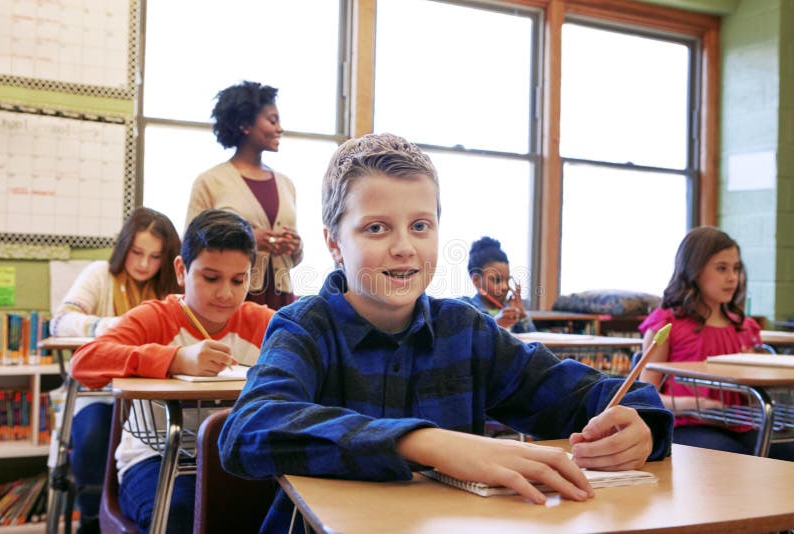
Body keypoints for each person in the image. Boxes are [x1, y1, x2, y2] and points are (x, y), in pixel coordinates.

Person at [218, 133, 674, 533]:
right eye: (376, 228)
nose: (404, 247)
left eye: (420, 226)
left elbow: (589, 395)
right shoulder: (305, 326)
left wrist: (641, 425)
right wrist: (427, 443)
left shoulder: (466, 330)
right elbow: (248, 428)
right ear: (335, 243)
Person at [70, 209, 276, 534]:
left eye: (239, 280)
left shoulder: (261, 322)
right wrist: (175, 359)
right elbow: (85, 362)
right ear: (181, 270)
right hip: (152, 459)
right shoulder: (156, 317)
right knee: (180, 515)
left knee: (277, 508)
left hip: (230, 456)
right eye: (211, 278)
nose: (226, 293)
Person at [50, 206, 181, 533]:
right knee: (94, 435)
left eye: (155, 257)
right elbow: (61, 321)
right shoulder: (100, 274)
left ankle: (131, 511)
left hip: (151, 399)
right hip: (99, 390)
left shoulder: (169, 290)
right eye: (137, 252)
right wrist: (115, 327)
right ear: (123, 246)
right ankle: (92, 518)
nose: (144, 264)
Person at [639, 226, 794, 460]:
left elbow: (753, 396)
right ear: (694, 270)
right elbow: (645, 396)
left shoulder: (745, 327)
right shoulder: (666, 324)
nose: (733, 277)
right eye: (722, 268)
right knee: (734, 458)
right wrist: (696, 403)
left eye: (736, 268)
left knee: (786, 451)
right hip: (685, 425)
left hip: (741, 424)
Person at [186, 80, 302, 309]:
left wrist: (295, 246)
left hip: (282, 299)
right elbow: (190, 247)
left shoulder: (286, 184)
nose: (280, 128)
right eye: (272, 120)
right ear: (245, 125)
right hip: (232, 298)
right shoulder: (210, 182)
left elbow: (293, 259)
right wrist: (247, 239)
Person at [461, 236, 535, 333]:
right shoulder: (465, 309)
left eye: (507, 280)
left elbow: (534, 339)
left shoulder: (511, 312)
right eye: (497, 280)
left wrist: (522, 316)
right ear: (476, 280)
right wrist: (495, 324)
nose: (505, 287)